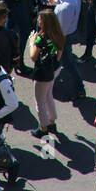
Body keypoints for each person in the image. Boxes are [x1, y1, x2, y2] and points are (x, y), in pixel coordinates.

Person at [28, 9, 64, 137]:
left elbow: (33, 57)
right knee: (49, 95)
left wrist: (31, 42)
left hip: (42, 74)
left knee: (40, 102)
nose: (38, 20)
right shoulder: (59, 34)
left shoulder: (41, 39)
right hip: (54, 69)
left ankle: (43, 128)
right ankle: (52, 121)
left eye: (40, 19)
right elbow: (59, 55)